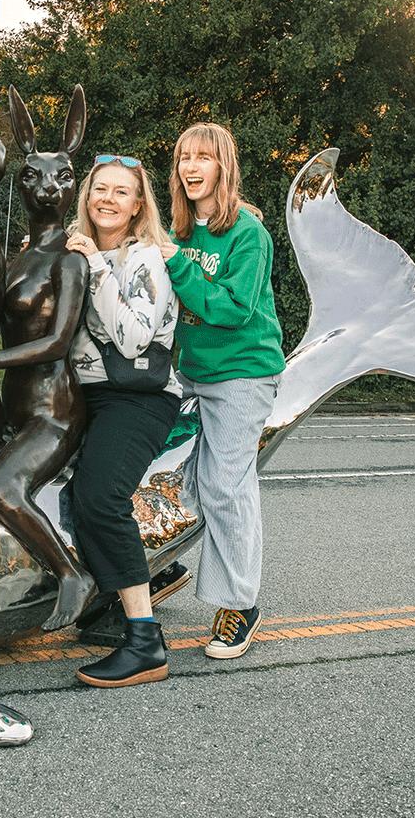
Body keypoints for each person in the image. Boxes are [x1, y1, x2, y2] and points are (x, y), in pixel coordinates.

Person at [158, 122, 286, 660]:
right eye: (184, 157)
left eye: (203, 157)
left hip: (243, 371)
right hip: (192, 371)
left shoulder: (248, 234)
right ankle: (158, 567)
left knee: (225, 485)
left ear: (223, 167)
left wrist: (174, 262)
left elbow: (232, 309)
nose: (191, 166)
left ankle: (240, 604)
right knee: (157, 471)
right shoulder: (180, 232)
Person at [65, 154, 182, 688]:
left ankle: (145, 643)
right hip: (81, 394)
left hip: (138, 396)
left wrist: (95, 268)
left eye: (120, 192)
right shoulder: (74, 251)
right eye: (99, 189)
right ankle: (106, 600)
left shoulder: (144, 260)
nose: (107, 199)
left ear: (137, 207)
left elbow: (134, 338)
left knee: (100, 496)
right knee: (59, 491)